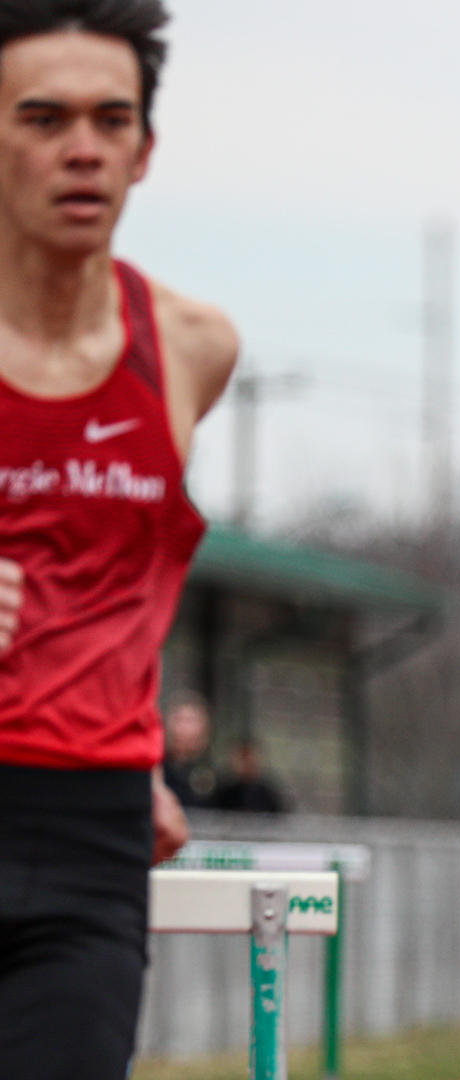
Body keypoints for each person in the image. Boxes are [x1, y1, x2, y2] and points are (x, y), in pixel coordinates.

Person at [0, 2, 240, 1077]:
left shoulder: (191, 348)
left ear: (145, 150)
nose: (81, 148)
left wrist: (130, 748)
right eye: (43, 119)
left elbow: (114, 579)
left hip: (95, 830)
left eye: (110, 119)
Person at [161, 690, 215, 807]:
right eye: (179, 720)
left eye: (191, 720)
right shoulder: (157, 771)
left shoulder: (213, 773)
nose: (184, 728)